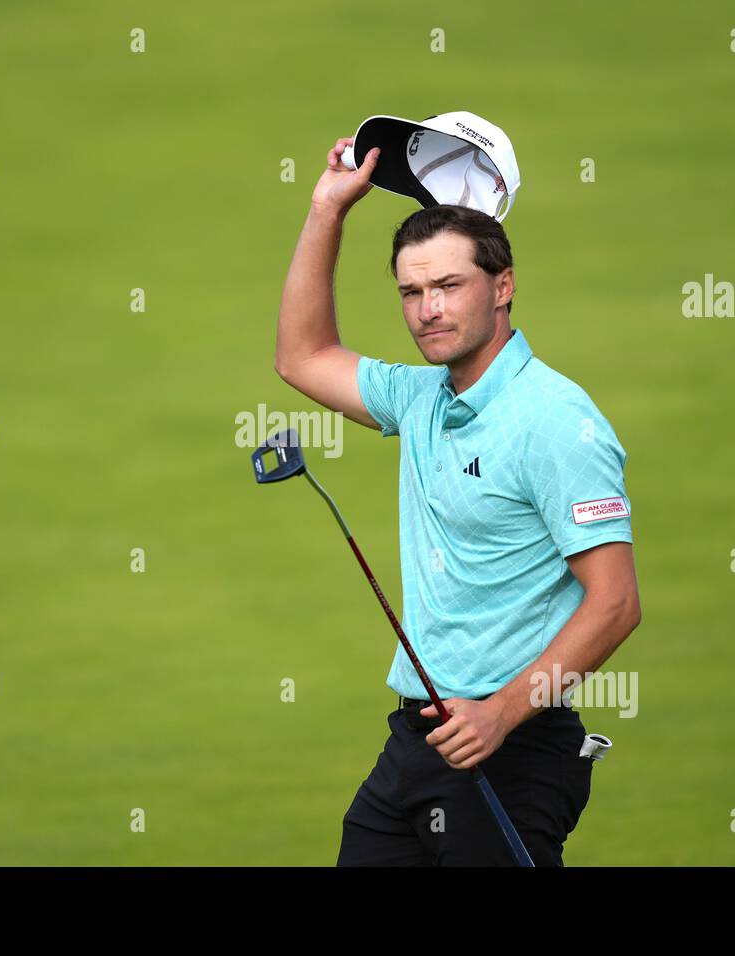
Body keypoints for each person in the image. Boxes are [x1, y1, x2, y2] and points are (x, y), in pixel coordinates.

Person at [274, 137, 642, 866]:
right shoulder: (420, 400)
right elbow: (302, 357)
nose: (427, 310)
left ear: (501, 286)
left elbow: (615, 604)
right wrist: (326, 210)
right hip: (416, 744)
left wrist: (500, 715)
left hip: (513, 750)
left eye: (448, 286)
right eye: (411, 292)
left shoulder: (555, 421)